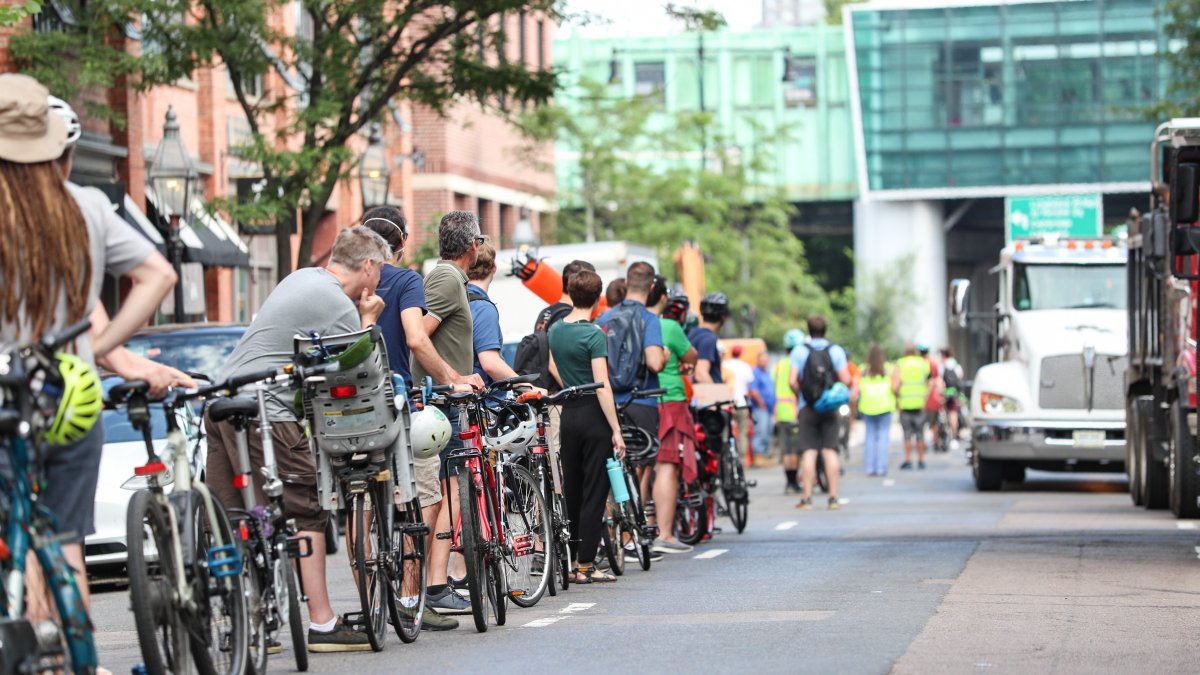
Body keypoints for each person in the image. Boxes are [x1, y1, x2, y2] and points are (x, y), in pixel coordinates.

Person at [6, 81, 190, 638]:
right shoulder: (84, 205)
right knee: (64, 542)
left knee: (14, 533)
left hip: (6, 393)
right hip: (70, 393)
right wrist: (99, 350)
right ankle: (69, 657)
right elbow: (158, 276)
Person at [207, 226, 390, 651]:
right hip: (263, 412)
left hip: (220, 404)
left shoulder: (301, 278)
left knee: (240, 517)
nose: (379, 280)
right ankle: (323, 624)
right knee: (306, 505)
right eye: (380, 270)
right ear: (368, 267)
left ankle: (249, 623)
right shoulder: (335, 303)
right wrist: (368, 321)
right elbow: (360, 371)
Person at [362, 206, 476, 632]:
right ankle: (412, 599)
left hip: (348, 406)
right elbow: (416, 337)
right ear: (403, 242)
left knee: (363, 512)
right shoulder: (408, 280)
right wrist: (452, 377)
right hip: (398, 402)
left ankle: (367, 611)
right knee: (422, 498)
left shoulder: (339, 283)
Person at [413, 210, 487, 615]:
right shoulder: (444, 278)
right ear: (472, 244)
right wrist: (454, 377)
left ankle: (435, 584)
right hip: (440, 400)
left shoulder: (452, 279)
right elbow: (418, 335)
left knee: (449, 493)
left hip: (447, 397)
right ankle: (434, 585)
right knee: (444, 494)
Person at [546, 270, 626, 583]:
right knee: (595, 490)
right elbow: (602, 384)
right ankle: (585, 565)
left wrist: (571, 386)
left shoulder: (555, 330)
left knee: (574, 489)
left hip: (569, 413)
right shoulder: (594, 334)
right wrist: (616, 429)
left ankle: (570, 561)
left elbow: (553, 366)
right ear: (597, 298)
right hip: (594, 415)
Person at [648, 289, 697, 555]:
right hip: (669, 401)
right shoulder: (668, 326)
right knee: (667, 466)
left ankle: (636, 531)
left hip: (638, 402)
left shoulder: (634, 320)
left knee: (642, 468)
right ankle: (664, 534)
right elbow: (692, 356)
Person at [789, 314, 852, 510]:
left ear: (808, 330)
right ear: (825, 329)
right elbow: (846, 379)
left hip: (807, 407)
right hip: (829, 407)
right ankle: (833, 497)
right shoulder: (836, 350)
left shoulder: (799, 351)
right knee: (830, 450)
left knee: (809, 451)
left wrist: (803, 397)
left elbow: (792, 381)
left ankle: (807, 498)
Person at [858, 343, 896, 477]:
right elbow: (895, 387)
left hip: (867, 406)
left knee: (870, 437)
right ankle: (881, 468)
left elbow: (857, 388)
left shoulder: (863, 370)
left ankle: (870, 467)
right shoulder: (888, 369)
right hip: (884, 405)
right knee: (883, 438)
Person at [894, 343, 933, 470]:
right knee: (921, 433)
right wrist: (925, 397)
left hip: (905, 404)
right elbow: (931, 382)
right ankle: (921, 460)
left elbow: (895, 385)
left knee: (907, 434)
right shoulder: (923, 363)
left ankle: (908, 460)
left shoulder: (900, 363)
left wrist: (898, 397)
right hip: (920, 403)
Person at [775, 328, 805, 492]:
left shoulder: (779, 365)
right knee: (795, 449)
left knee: (786, 449)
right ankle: (794, 482)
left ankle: (788, 482)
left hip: (781, 411)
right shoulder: (798, 363)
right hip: (794, 410)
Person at [689, 292, 729, 384]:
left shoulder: (693, 333)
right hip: (704, 396)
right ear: (723, 317)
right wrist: (716, 395)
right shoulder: (708, 339)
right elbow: (701, 374)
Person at [724, 344, 754, 464]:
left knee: (726, 431)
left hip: (727, 403)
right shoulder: (745, 366)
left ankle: (726, 457)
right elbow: (748, 388)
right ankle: (742, 459)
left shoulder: (725, 365)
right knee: (742, 432)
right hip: (741, 403)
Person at [748, 350, 776, 468]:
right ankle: (758, 456)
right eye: (762, 359)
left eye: (766, 359)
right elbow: (754, 390)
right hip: (760, 407)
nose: (764, 362)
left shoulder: (768, 373)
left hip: (769, 408)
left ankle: (764, 455)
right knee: (760, 431)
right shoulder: (756, 372)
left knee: (767, 432)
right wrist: (760, 402)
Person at [939, 347, 964, 448]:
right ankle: (954, 437)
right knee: (954, 415)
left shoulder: (942, 365)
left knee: (943, 414)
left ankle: (943, 434)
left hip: (945, 394)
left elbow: (940, 380)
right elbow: (960, 377)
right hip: (954, 393)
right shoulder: (956, 364)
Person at [922, 345, 944, 451]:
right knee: (934, 423)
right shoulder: (933, 363)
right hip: (933, 398)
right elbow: (937, 379)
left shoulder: (919, 364)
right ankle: (935, 442)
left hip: (921, 399)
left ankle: (923, 444)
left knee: (922, 424)